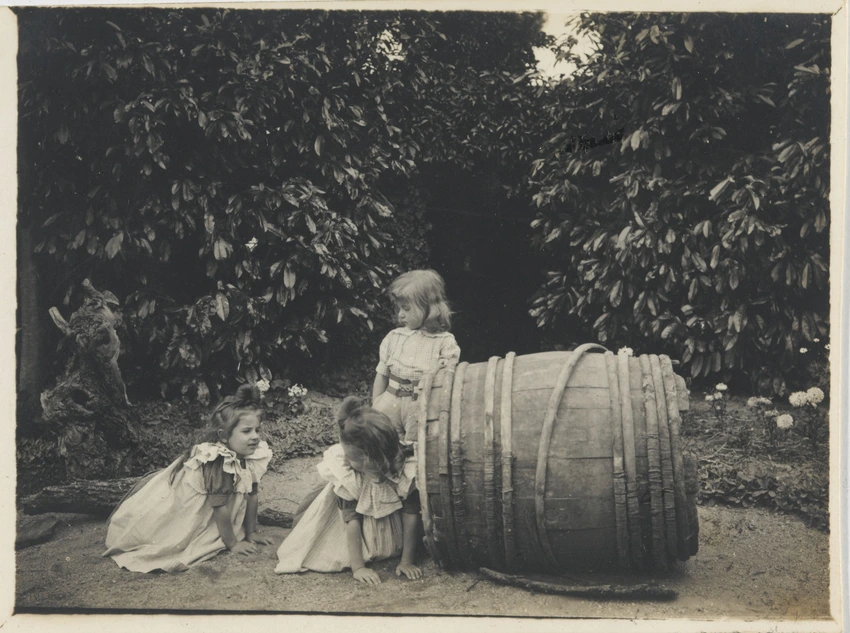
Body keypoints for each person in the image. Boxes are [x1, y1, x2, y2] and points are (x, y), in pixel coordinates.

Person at [103, 385, 274, 573]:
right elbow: (220, 507)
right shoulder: (219, 462)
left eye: (257, 430)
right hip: (185, 506)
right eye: (247, 431)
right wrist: (232, 544)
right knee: (166, 534)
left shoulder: (252, 456)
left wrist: (251, 532)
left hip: (215, 507)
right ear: (224, 436)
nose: (255, 437)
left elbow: (252, 495)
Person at [275, 397, 421, 584]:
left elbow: (411, 514)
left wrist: (407, 561)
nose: (346, 460)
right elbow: (351, 520)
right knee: (319, 545)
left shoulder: (402, 471)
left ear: (370, 459)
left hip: (390, 526)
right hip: (346, 524)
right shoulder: (349, 477)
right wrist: (358, 567)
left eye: (351, 458)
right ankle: (356, 555)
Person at [373, 269, 460, 443]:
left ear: (429, 308)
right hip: (389, 402)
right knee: (384, 444)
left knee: (417, 447)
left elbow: (448, 382)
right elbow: (382, 373)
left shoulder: (444, 342)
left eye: (406, 309)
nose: (400, 314)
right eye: (399, 308)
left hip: (421, 405)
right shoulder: (394, 337)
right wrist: (375, 404)